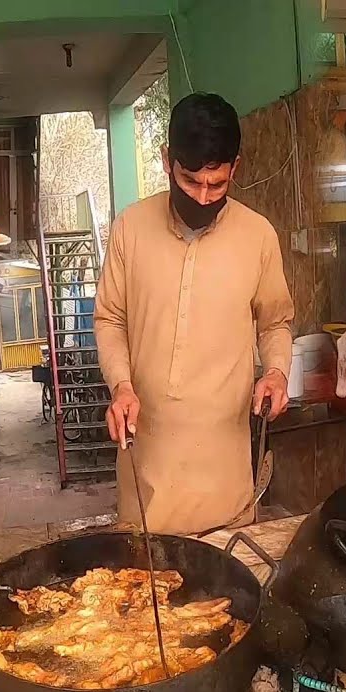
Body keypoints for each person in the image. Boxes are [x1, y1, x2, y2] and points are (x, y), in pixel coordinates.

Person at [94, 92, 294, 536]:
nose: (204, 198)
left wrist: (277, 373)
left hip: (226, 485)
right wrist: (121, 386)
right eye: (190, 182)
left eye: (217, 185)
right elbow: (109, 318)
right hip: (147, 482)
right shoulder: (130, 228)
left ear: (235, 169)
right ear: (167, 161)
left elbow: (275, 321)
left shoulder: (258, 236)